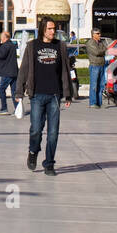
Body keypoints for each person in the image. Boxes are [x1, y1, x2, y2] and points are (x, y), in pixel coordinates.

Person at [18, 19, 74, 175]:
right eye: (50, 28)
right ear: (43, 29)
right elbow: (24, 69)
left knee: (53, 132)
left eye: (54, 28)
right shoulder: (32, 46)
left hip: (54, 96)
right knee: (36, 129)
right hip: (36, 95)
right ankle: (33, 151)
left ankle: (49, 163)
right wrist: (19, 92)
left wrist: (68, 94)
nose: (52, 31)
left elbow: (65, 70)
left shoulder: (60, 46)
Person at [0, 31, 19, 115]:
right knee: (14, 91)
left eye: (2, 38)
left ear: (5, 38)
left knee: (1, 89)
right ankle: (18, 109)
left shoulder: (6, 45)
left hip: (8, 72)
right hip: (14, 71)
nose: (1, 39)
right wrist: (0, 47)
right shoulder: (11, 45)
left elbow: (1, 55)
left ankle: (4, 108)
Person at [84, 29, 109, 108]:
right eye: (97, 34)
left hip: (101, 65)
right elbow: (97, 52)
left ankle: (99, 102)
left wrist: (103, 50)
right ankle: (93, 102)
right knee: (94, 85)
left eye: (100, 33)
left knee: (101, 85)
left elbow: (104, 49)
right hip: (94, 65)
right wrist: (103, 50)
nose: (99, 35)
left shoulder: (100, 42)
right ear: (93, 35)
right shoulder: (90, 43)